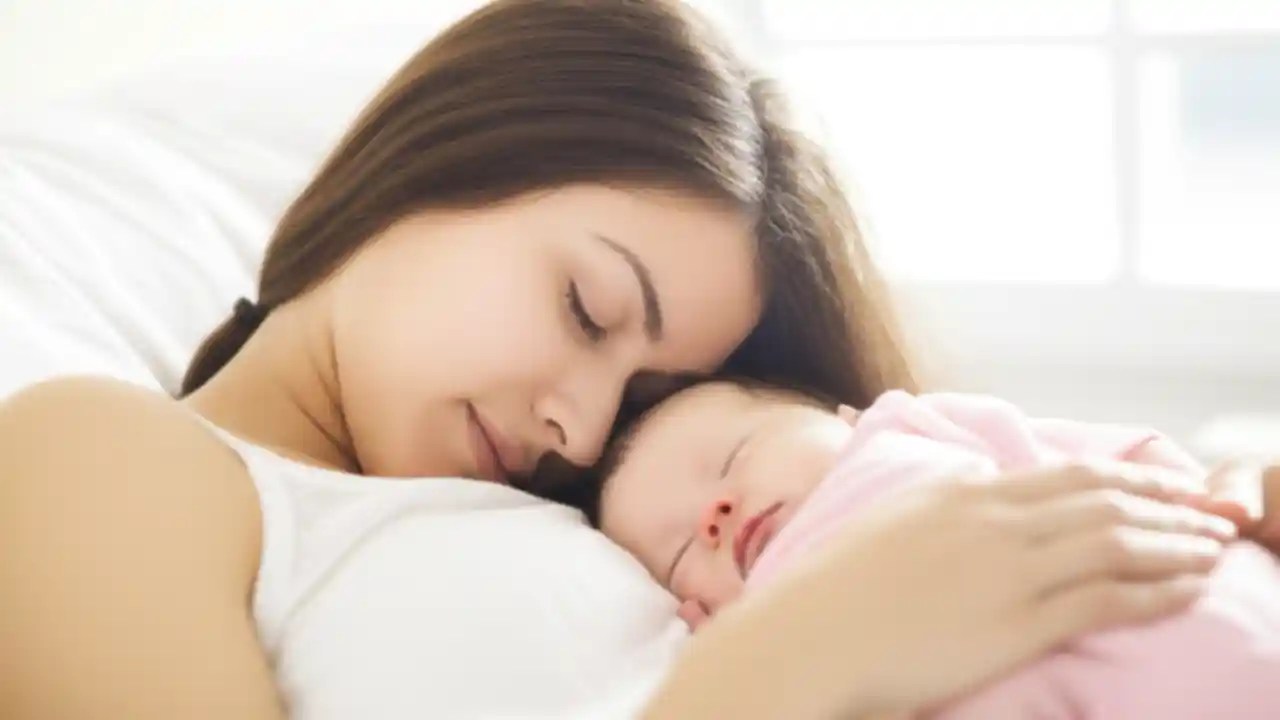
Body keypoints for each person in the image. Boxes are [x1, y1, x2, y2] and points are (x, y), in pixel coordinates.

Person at [0, 1, 1263, 718]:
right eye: (586, 307)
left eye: (648, 396)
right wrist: (790, 666)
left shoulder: (623, 507)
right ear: (439, 158)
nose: (584, 427)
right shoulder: (99, 455)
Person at [597, 379, 1280, 717]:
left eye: (735, 456)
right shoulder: (758, 651)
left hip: (1183, 602)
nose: (715, 514)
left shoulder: (915, 429)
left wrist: (1212, 501)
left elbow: (1125, 453)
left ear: (845, 418)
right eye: (680, 553)